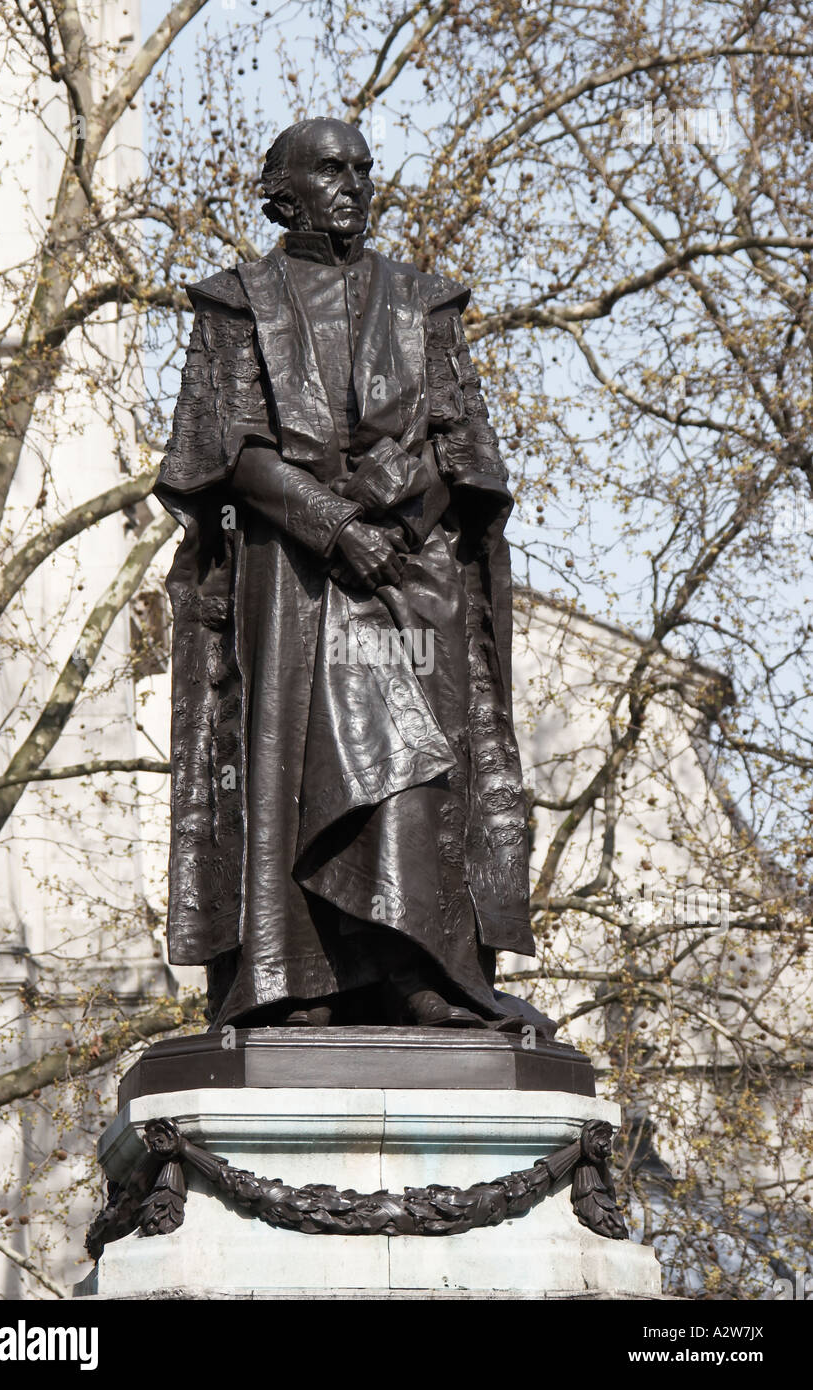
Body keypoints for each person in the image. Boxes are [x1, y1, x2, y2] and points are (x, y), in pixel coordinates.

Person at [154, 117, 554, 1036]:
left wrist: (393, 507)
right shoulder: (237, 303)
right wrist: (335, 525)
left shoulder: (423, 302)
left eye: (365, 170)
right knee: (289, 762)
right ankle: (302, 977)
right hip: (291, 577)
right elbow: (229, 453)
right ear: (282, 188)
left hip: (410, 573)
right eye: (333, 169)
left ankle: (420, 970)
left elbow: (465, 452)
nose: (355, 184)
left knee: (417, 767)